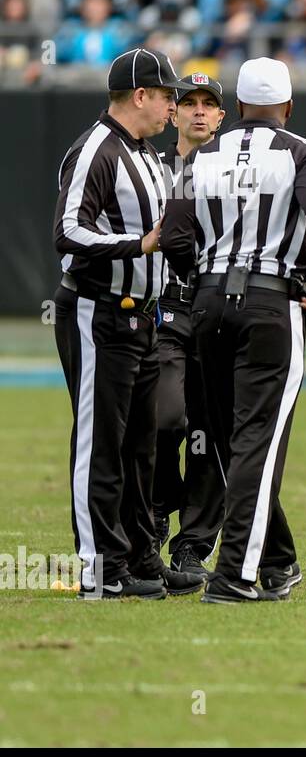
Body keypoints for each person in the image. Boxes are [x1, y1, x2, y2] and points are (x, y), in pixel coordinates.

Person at [162, 57, 306, 603]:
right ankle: (236, 576)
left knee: (229, 442)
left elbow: (174, 235)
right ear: (288, 107)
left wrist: (199, 283)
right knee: (257, 446)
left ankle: (278, 561)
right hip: (270, 302)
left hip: (207, 303)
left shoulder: (200, 157)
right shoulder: (302, 152)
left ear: (237, 107)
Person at [52, 47, 204, 599]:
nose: (173, 107)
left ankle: (141, 557)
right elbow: (68, 232)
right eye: (167, 96)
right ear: (140, 95)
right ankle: (100, 565)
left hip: (142, 317)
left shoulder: (142, 152)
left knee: (141, 446)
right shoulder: (96, 149)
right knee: (101, 443)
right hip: (97, 312)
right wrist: (137, 245)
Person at [153, 73, 227, 578]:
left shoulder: (240, 172)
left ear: (222, 116)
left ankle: (193, 546)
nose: (199, 111)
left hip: (219, 311)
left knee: (213, 432)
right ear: (172, 112)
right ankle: (156, 510)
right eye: (188, 102)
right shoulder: (150, 168)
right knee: (165, 418)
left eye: (209, 104)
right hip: (162, 310)